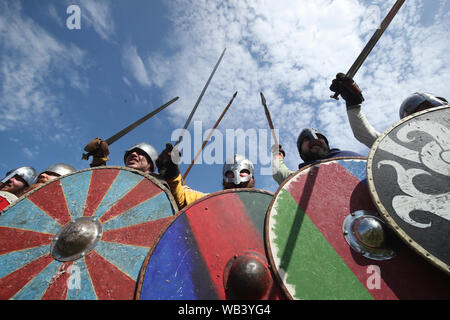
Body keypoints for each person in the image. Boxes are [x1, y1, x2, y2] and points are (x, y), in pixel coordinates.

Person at [329, 72, 449, 148]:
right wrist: (352, 103)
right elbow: (367, 136)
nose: (425, 117)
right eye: (417, 116)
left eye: (427, 110)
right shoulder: (412, 148)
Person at [156, 143, 255, 209]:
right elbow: (181, 198)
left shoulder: (263, 207)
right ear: (224, 177)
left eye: (244, 170)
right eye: (230, 172)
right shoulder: (209, 200)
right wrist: (171, 171)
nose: (237, 175)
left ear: (252, 178)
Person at [272, 128, 362, 185]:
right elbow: (278, 172)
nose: (314, 139)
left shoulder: (348, 156)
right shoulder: (302, 179)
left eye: (319, 137)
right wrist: (278, 154)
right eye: (307, 139)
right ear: (301, 153)